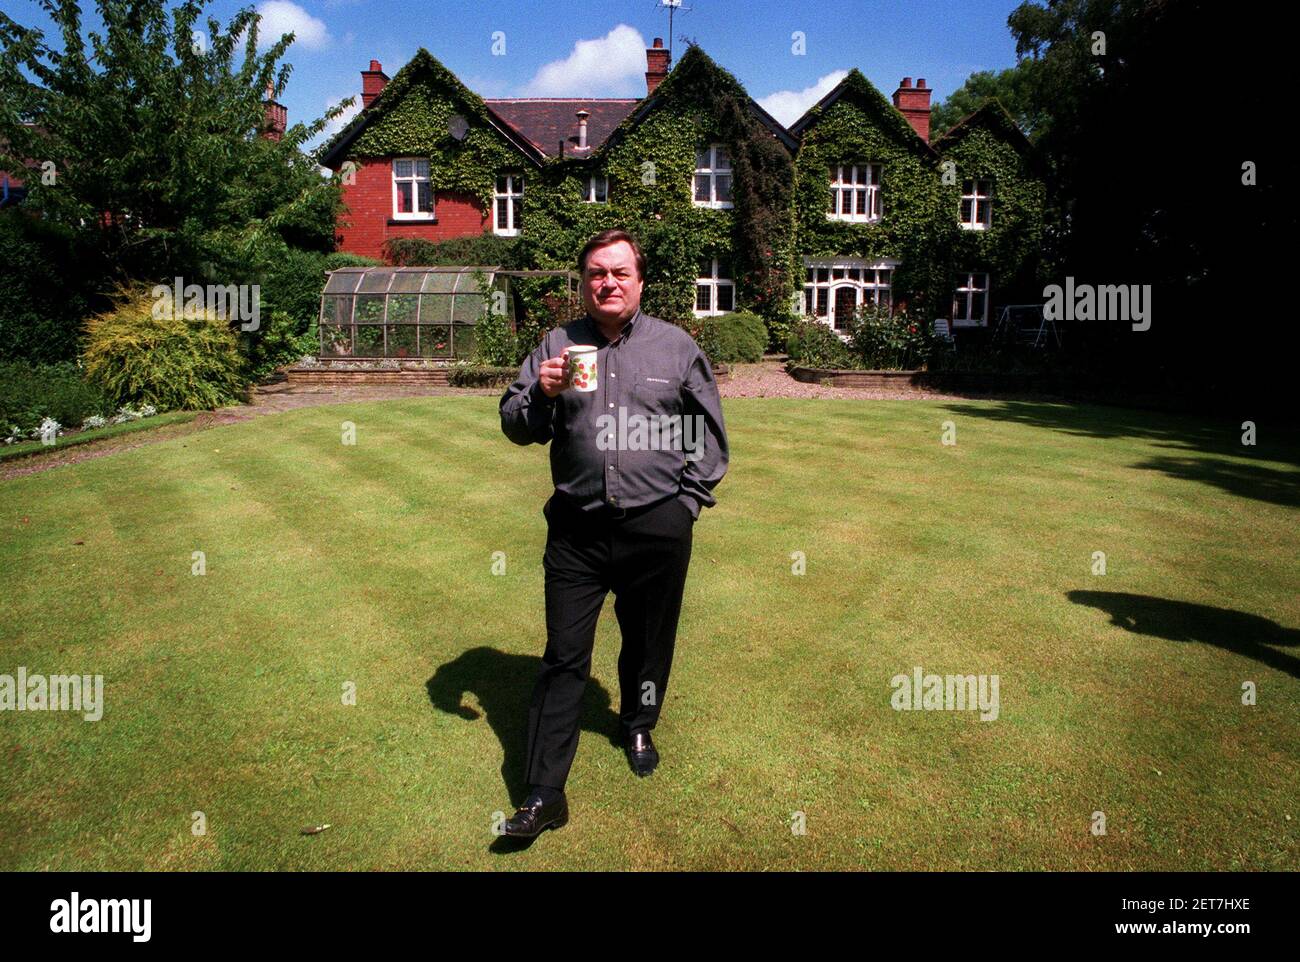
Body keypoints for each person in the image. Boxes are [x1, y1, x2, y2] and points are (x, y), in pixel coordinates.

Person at [497, 228, 730, 838]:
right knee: (563, 655)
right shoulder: (558, 344)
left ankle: (637, 722)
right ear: (583, 281)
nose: (608, 283)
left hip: (656, 527)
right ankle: (545, 791)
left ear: (640, 282)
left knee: (648, 642)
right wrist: (541, 396)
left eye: (620, 273)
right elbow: (517, 425)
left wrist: (686, 504)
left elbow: (706, 435)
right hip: (576, 531)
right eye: (597, 273)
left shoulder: (675, 348)